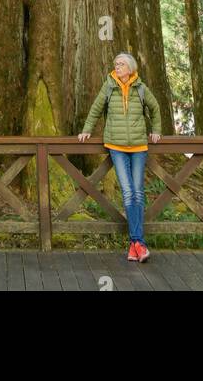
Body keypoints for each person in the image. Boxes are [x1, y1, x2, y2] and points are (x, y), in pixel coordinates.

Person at [78, 51, 162, 262]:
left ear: (131, 68)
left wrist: (156, 129)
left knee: (138, 192)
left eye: (122, 64)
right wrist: (87, 129)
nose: (117, 67)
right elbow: (96, 108)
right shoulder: (109, 86)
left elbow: (155, 108)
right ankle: (139, 243)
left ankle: (136, 245)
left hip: (139, 146)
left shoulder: (141, 88)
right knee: (128, 192)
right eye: (116, 64)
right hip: (115, 145)